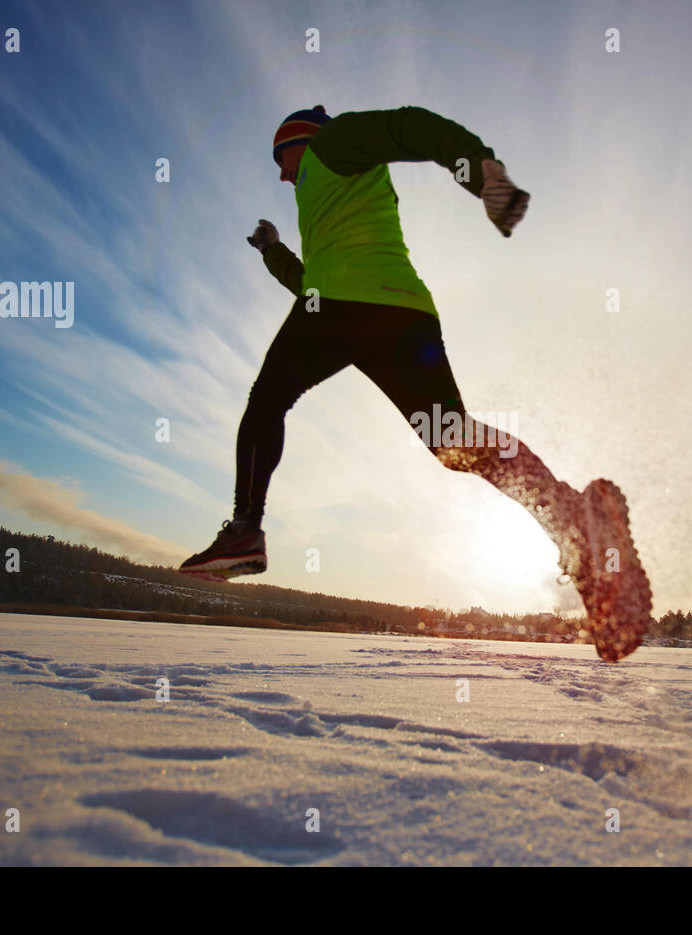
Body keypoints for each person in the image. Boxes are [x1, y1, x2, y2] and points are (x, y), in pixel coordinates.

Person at [179, 105, 651, 660]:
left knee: (267, 401)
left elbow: (412, 127)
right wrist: (272, 251)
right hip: (394, 316)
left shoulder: (335, 144)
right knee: (453, 440)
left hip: (339, 311)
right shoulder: (328, 197)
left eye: (279, 159)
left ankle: (244, 530)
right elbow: (307, 279)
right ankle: (578, 523)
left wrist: (485, 177)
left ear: (299, 141)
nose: (281, 175)